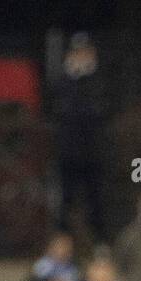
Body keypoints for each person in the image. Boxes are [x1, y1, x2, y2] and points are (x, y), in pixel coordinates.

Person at [51, 32, 109, 242]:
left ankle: (100, 244)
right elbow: (59, 109)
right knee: (66, 201)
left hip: (93, 153)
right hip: (68, 154)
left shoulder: (100, 79)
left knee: (96, 202)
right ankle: (62, 245)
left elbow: (99, 110)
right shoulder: (63, 80)